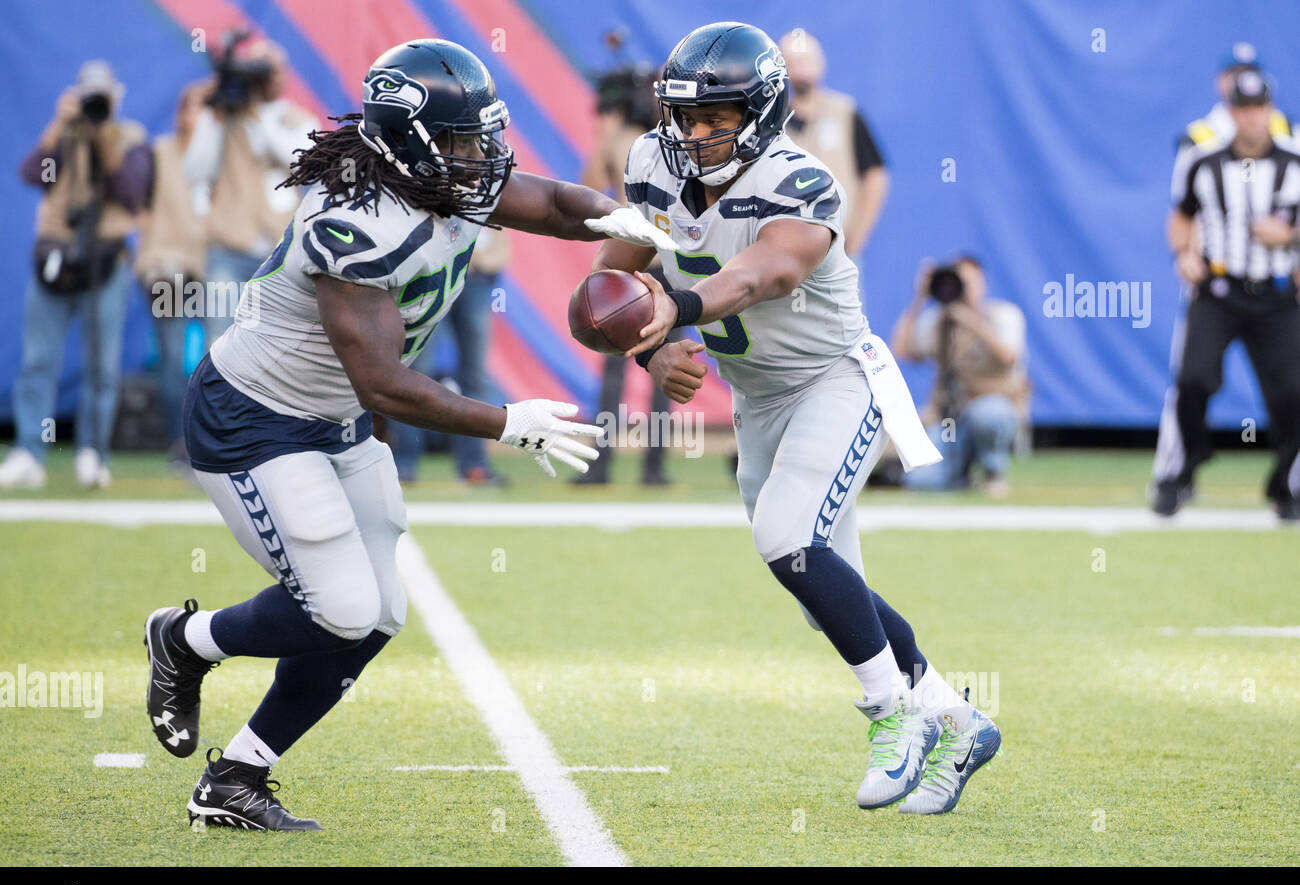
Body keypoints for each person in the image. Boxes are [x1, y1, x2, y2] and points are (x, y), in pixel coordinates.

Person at [142, 38, 678, 831]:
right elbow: (384, 383)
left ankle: (238, 775)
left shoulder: (444, 177)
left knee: (379, 612)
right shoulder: (351, 222)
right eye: (463, 141)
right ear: (412, 143)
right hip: (254, 417)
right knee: (340, 607)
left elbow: (561, 207)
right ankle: (185, 639)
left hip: (329, 418)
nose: (483, 156)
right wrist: (508, 423)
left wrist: (628, 216)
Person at [601, 21, 1000, 814]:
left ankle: (895, 721)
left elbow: (765, 273)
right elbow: (612, 283)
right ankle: (956, 720)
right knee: (826, 594)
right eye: (687, 116)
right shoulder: (650, 163)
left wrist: (675, 308)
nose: (697, 134)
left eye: (718, 118)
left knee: (787, 537)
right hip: (759, 398)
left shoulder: (804, 181)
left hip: (835, 381)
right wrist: (648, 353)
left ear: (762, 113)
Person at [1155, 68, 1300, 520]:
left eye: (1259, 109)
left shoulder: (1295, 163)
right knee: (1193, 380)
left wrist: (1289, 238)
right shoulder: (1203, 160)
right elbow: (1180, 216)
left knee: (1293, 392)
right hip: (1217, 291)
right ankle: (1184, 470)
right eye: (1243, 109)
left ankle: (1285, 485)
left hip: (1277, 296)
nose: (1252, 119)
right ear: (1232, 113)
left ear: (1270, 112)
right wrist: (1183, 254)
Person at [0, 61, 152, 490]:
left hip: (105, 262)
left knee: (101, 365)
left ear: (117, 97)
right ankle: (30, 452)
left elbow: (129, 192)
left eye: (102, 97)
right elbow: (32, 174)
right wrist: (58, 124)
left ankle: (92, 453)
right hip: (55, 258)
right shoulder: (63, 136)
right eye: (90, 96)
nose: (95, 104)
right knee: (37, 361)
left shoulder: (132, 139)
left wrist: (102, 138)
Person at [574, 59, 676, 486]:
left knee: (622, 366)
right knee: (659, 365)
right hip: (658, 266)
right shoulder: (662, 144)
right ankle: (648, 469)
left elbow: (589, 182)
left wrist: (605, 133)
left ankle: (606, 466)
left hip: (631, 267)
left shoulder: (631, 143)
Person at [184, 34, 315, 346]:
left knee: (278, 342)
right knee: (220, 341)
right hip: (227, 250)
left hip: (280, 254)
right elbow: (194, 170)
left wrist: (259, 118)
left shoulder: (294, 118)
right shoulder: (223, 118)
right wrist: (215, 116)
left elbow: (303, 165)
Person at [891, 256, 1028, 495]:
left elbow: (1008, 358)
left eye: (969, 282)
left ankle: (993, 472)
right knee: (921, 480)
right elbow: (901, 350)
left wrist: (970, 319)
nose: (963, 289)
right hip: (951, 421)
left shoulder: (1002, 314)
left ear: (982, 283)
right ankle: (958, 474)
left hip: (993, 412)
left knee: (989, 414)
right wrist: (920, 297)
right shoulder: (940, 321)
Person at [389, 228, 512, 485]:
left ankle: (473, 465)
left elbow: (500, 244)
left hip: (475, 279)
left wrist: (476, 257)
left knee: (474, 376)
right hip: (430, 273)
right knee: (413, 371)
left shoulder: (487, 191)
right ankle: (403, 464)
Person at [135, 81, 209, 467]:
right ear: (181, 113)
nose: (199, 115)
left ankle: (216, 441)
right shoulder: (159, 154)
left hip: (215, 268)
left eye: (206, 107)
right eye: (194, 106)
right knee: (172, 356)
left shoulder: (224, 156)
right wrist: (147, 255)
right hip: (169, 267)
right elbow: (140, 208)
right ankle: (180, 444)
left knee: (224, 358)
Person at [778, 30, 888, 258]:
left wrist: (858, 237)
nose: (800, 67)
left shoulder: (845, 113)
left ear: (821, 63)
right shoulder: (775, 123)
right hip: (787, 250)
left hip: (840, 248)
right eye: (793, 61)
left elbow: (875, 176)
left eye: (806, 59)